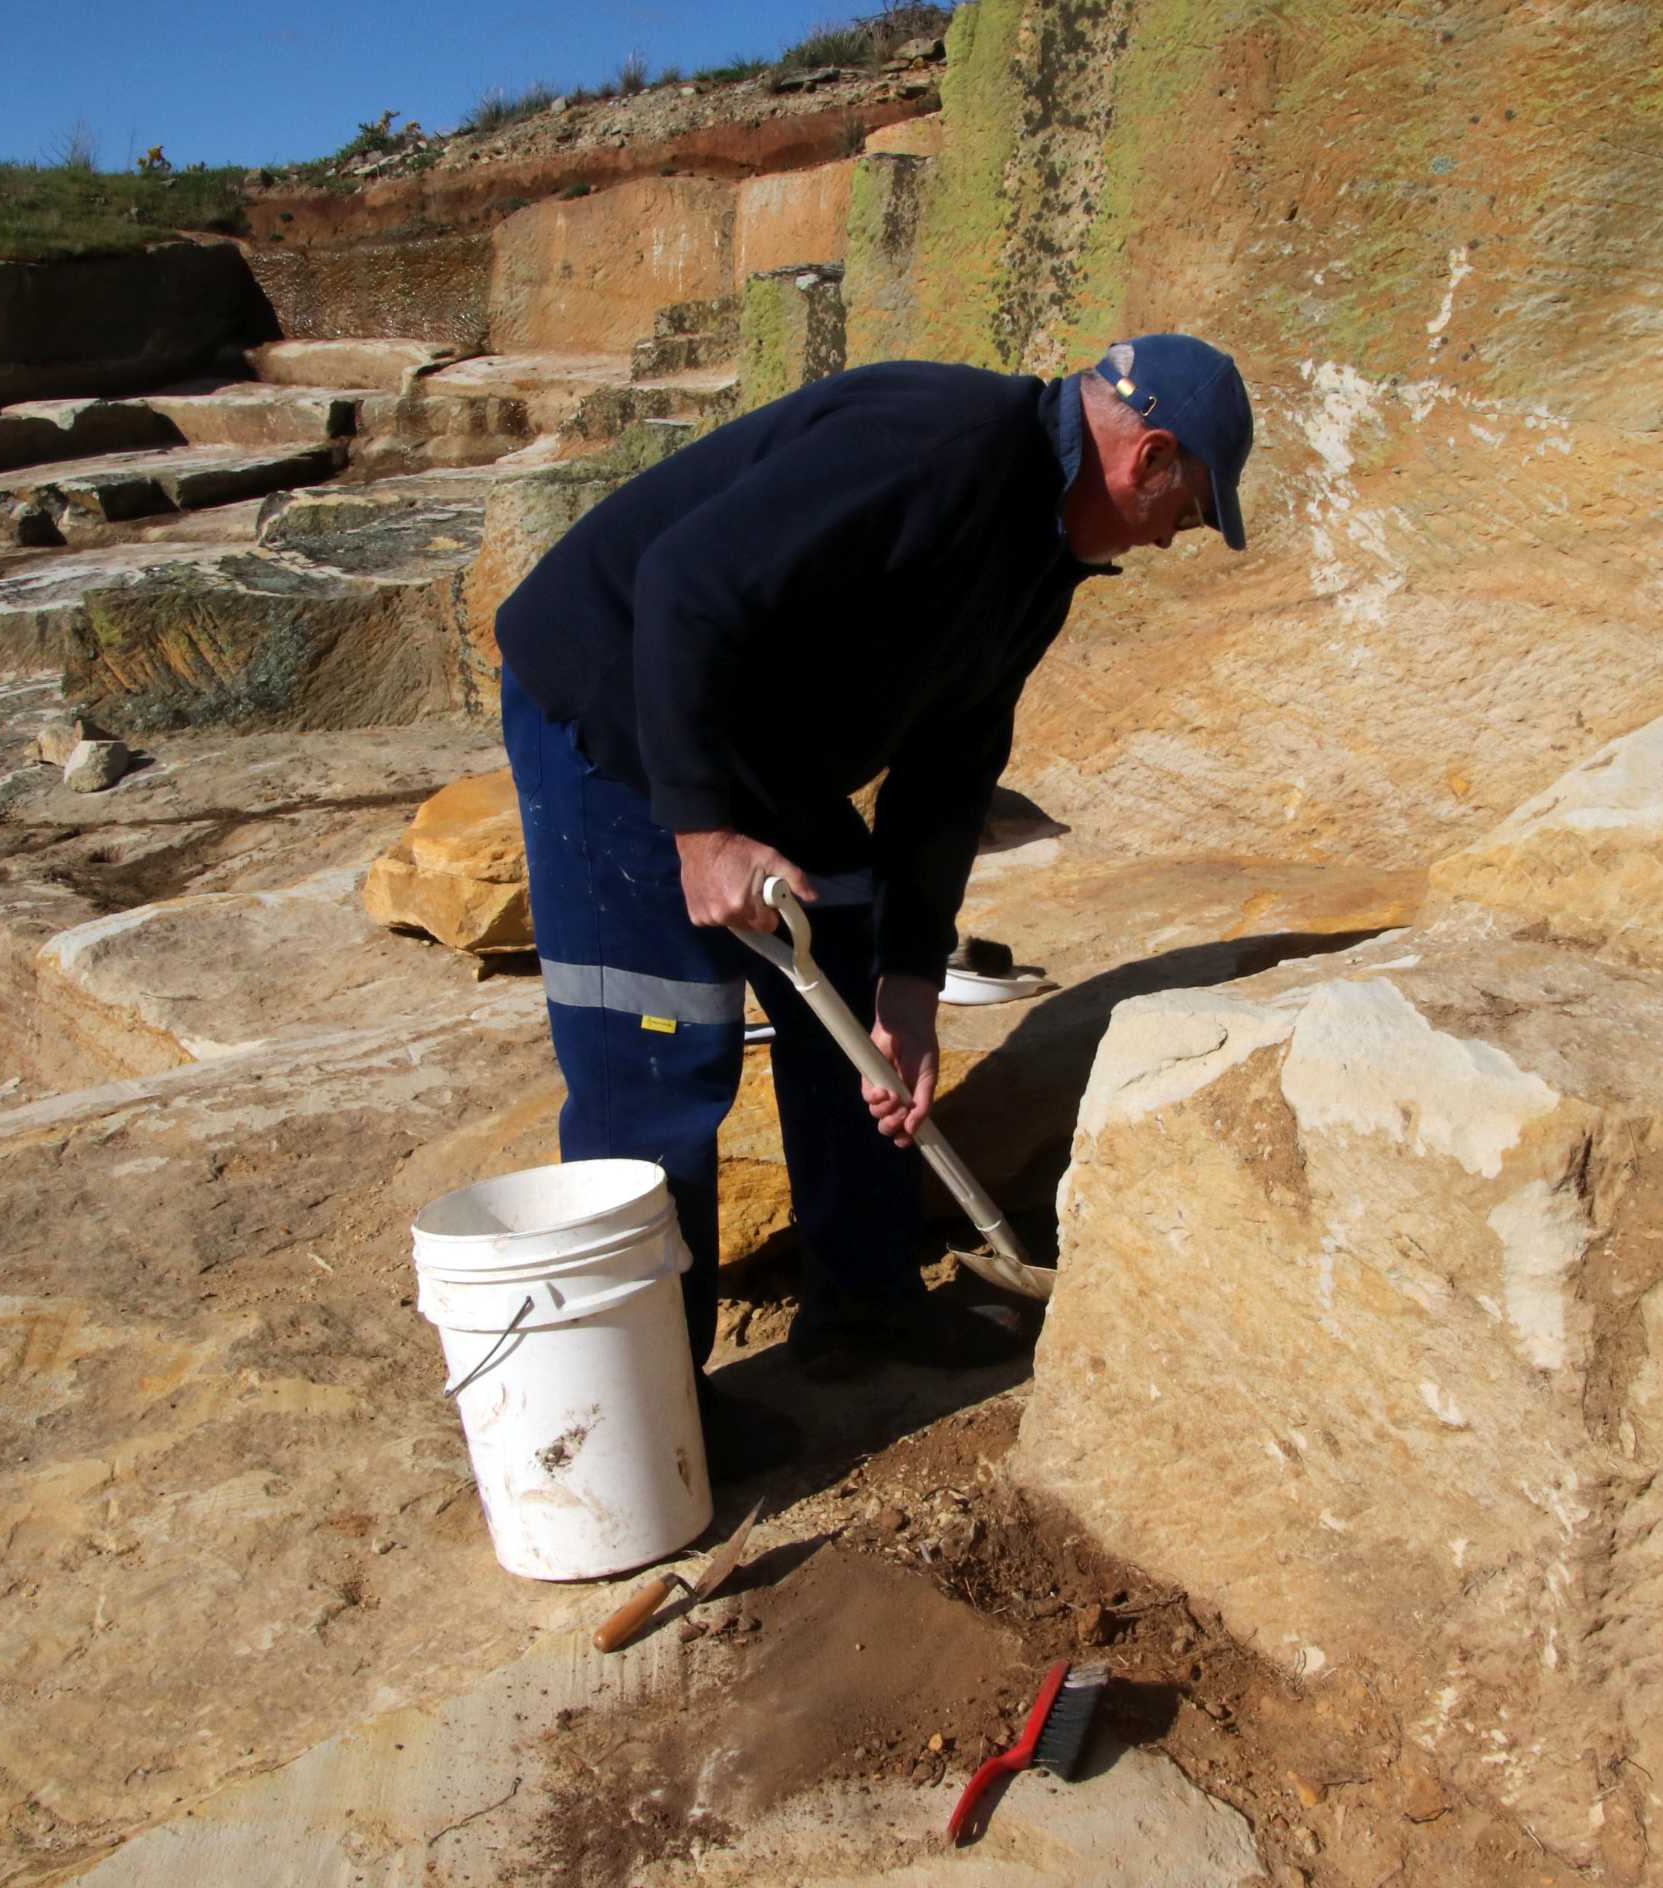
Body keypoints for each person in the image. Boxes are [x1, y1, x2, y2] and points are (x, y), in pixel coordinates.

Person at [493, 334, 1254, 1463]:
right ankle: (654, 1411)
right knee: (661, 1055)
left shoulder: (1040, 558)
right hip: (616, 704)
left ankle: (864, 1302)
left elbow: (952, 762)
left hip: (764, 737)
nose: (1166, 538)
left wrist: (911, 967)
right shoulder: (931, 445)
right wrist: (701, 833)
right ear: (1147, 457)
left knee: (852, 993)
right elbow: (683, 587)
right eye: (1185, 512)